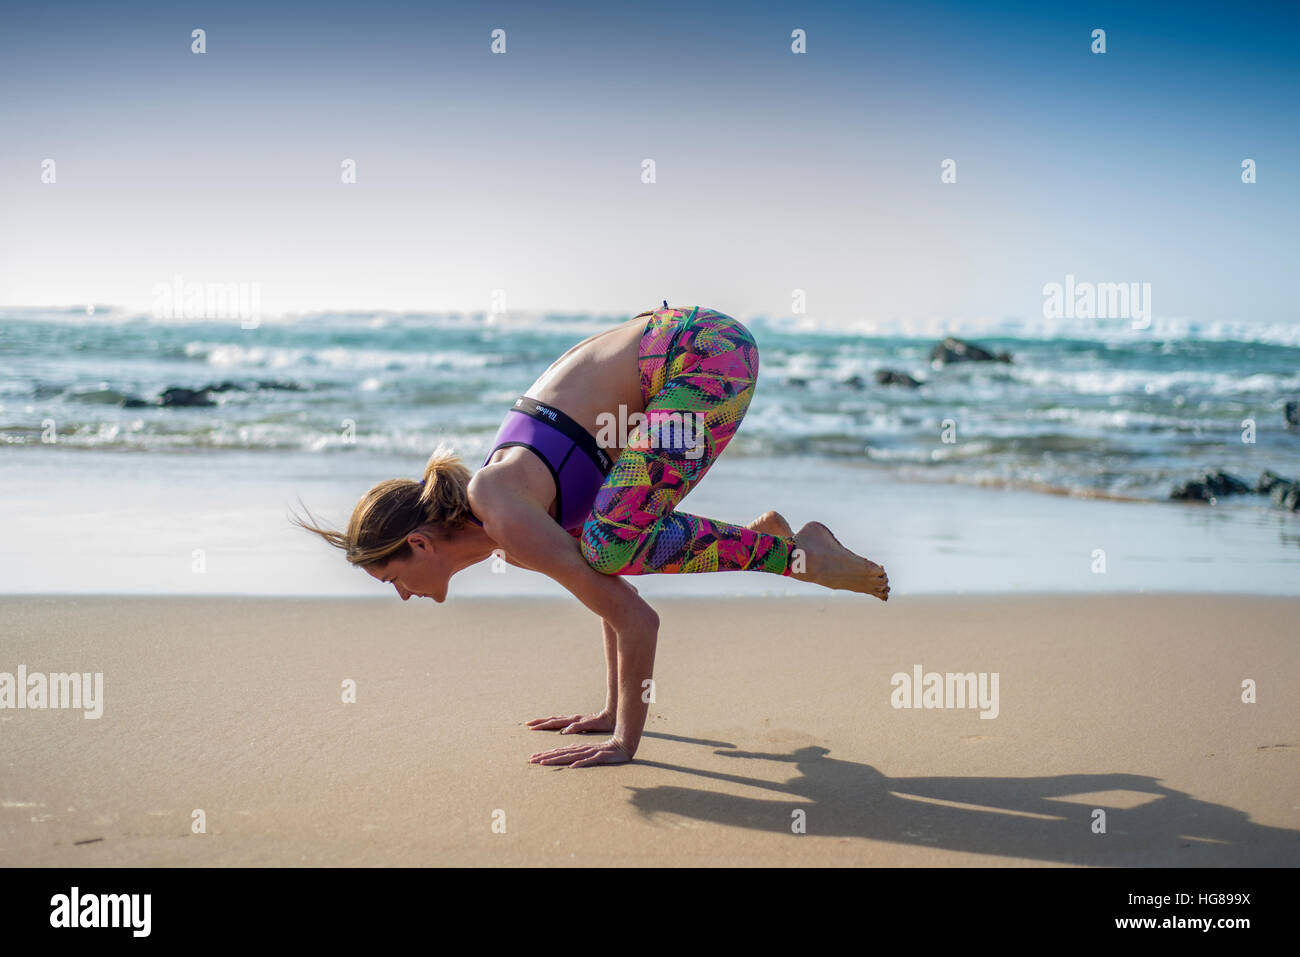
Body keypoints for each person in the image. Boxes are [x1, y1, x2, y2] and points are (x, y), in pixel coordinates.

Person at [292, 304, 889, 768]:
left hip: (705, 354)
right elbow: (611, 592)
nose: (401, 594)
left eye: (392, 579)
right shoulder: (511, 521)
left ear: (420, 543)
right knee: (608, 548)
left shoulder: (501, 509)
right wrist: (609, 711)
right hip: (688, 352)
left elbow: (638, 619)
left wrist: (625, 742)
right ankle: (781, 545)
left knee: (609, 543)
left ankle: (799, 554)